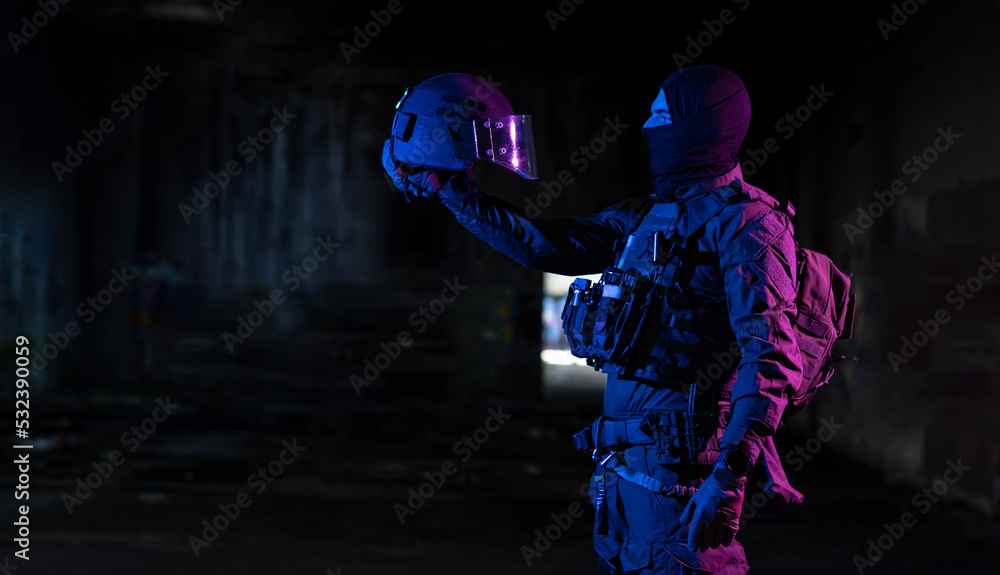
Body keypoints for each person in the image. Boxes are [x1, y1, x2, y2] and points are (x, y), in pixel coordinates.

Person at [382, 66, 805, 575]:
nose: (649, 127)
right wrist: (456, 194)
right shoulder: (647, 216)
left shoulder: (748, 226)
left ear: (701, 125)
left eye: (663, 117)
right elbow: (543, 246)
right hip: (626, 474)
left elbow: (773, 357)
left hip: (685, 477)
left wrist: (730, 480)